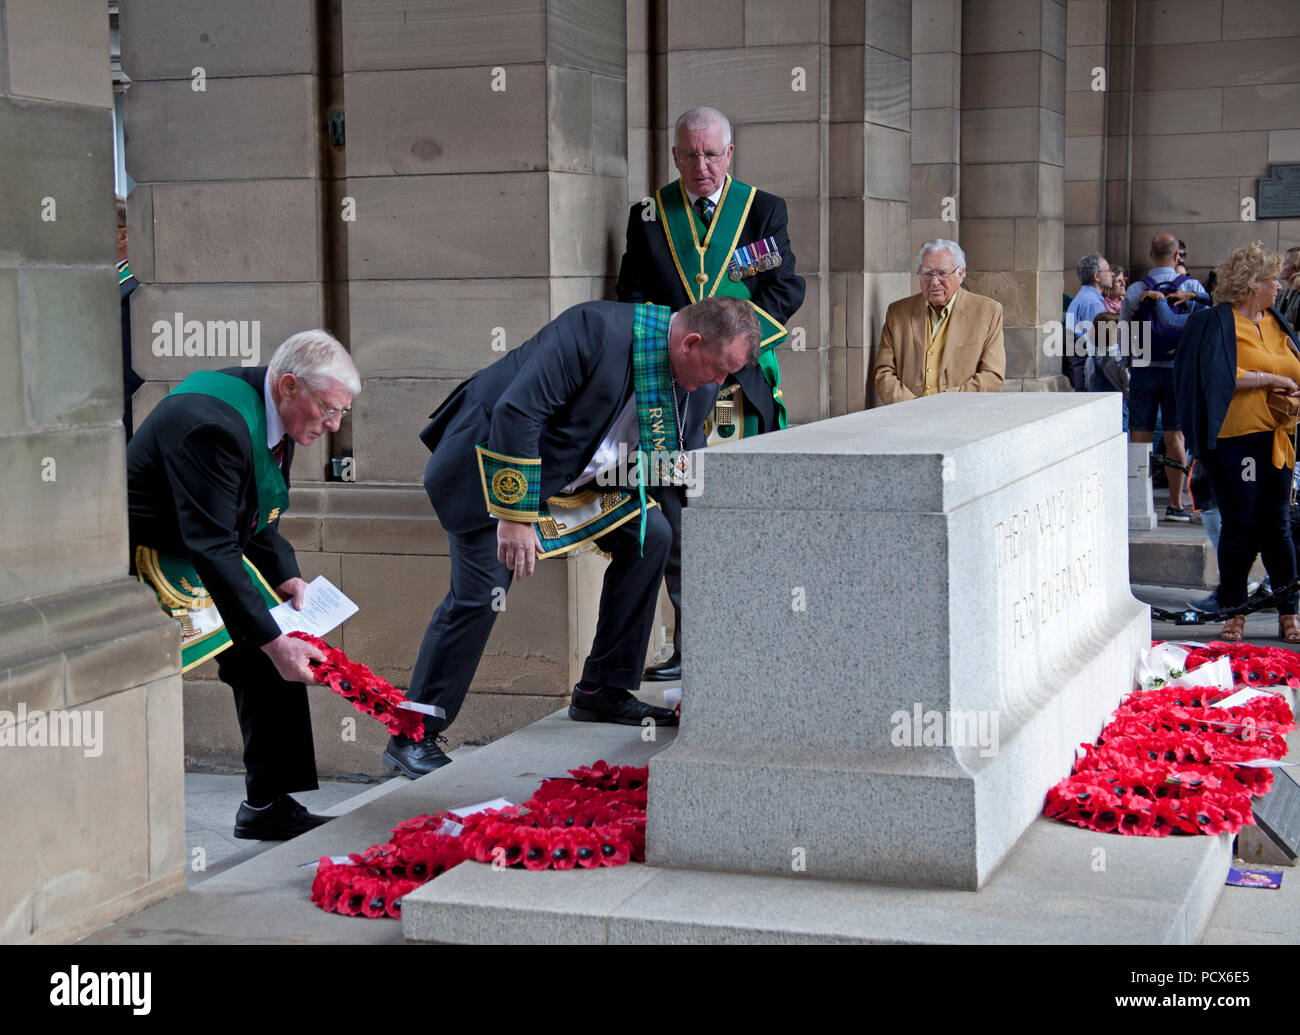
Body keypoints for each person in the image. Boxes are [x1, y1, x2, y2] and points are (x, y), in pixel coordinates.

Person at [385, 298, 759, 778]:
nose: (719, 385)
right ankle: (413, 734)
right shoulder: (594, 330)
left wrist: (717, 548)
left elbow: (679, 474)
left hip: (586, 479)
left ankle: (602, 689)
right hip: (498, 470)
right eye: (718, 369)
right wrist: (516, 516)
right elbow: (517, 413)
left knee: (654, 535)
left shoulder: (699, 384)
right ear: (690, 343)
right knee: (481, 594)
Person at [128, 331, 360, 838]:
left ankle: (268, 805)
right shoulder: (214, 426)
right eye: (328, 409)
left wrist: (286, 575)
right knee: (266, 648)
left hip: (205, 543)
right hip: (153, 553)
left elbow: (254, 513)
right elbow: (212, 545)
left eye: (343, 412)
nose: (334, 425)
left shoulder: (274, 409)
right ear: (289, 385)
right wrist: (273, 642)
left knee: (277, 642)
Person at [616, 105, 805, 682]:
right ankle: (690, 645)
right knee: (678, 517)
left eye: (712, 154)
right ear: (675, 156)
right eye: (690, 155)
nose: (701, 166)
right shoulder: (649, 216)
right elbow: (633, 295)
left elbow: (783, 289)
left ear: (730, 155)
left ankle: (755, 636)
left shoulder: (762, 211)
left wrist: (736, 348)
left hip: (743, 390)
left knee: (743, 513)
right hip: (671, 390)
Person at [1174, 242, 1300, 643]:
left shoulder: (1277, 321)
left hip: (1278, 439)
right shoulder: (1214, 321)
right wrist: (1272, 380)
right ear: (1251, 284)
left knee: (1278, 528)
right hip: (1235, 441)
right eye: (1272, 280)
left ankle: (1288, 612)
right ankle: (1235, 612)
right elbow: (1217, 375)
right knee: (1240, 528)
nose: (1279, 287)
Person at [1124, 233, 1208, 522]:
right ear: (1177, 256)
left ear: (1150, 255)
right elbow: (1206, 324)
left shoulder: (1136, 289)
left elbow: (1124, 329)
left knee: (1140, 435)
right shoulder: (1192, 287)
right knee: (1175, 436)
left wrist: (1129, 363)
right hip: (1178, 370)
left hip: (1144, 369)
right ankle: (1175, 504)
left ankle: (1137, 502)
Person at [872, 239, 1005, 404]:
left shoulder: (988, 311)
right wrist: (911, 407)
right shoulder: (898, 312)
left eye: (942, 273)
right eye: (927, 273)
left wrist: (943, 405)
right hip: (908, 417)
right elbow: (883, 373)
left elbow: (992, 377)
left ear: (960, 273)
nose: (934, 282)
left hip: (961, 417)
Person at [1064, 253, 1113, 391]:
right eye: (1108, 271)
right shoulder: (1092, 303)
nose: (1111, 274)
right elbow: (1099, 343)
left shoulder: (1082, 298)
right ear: (1096, 276)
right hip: (1089, 370)